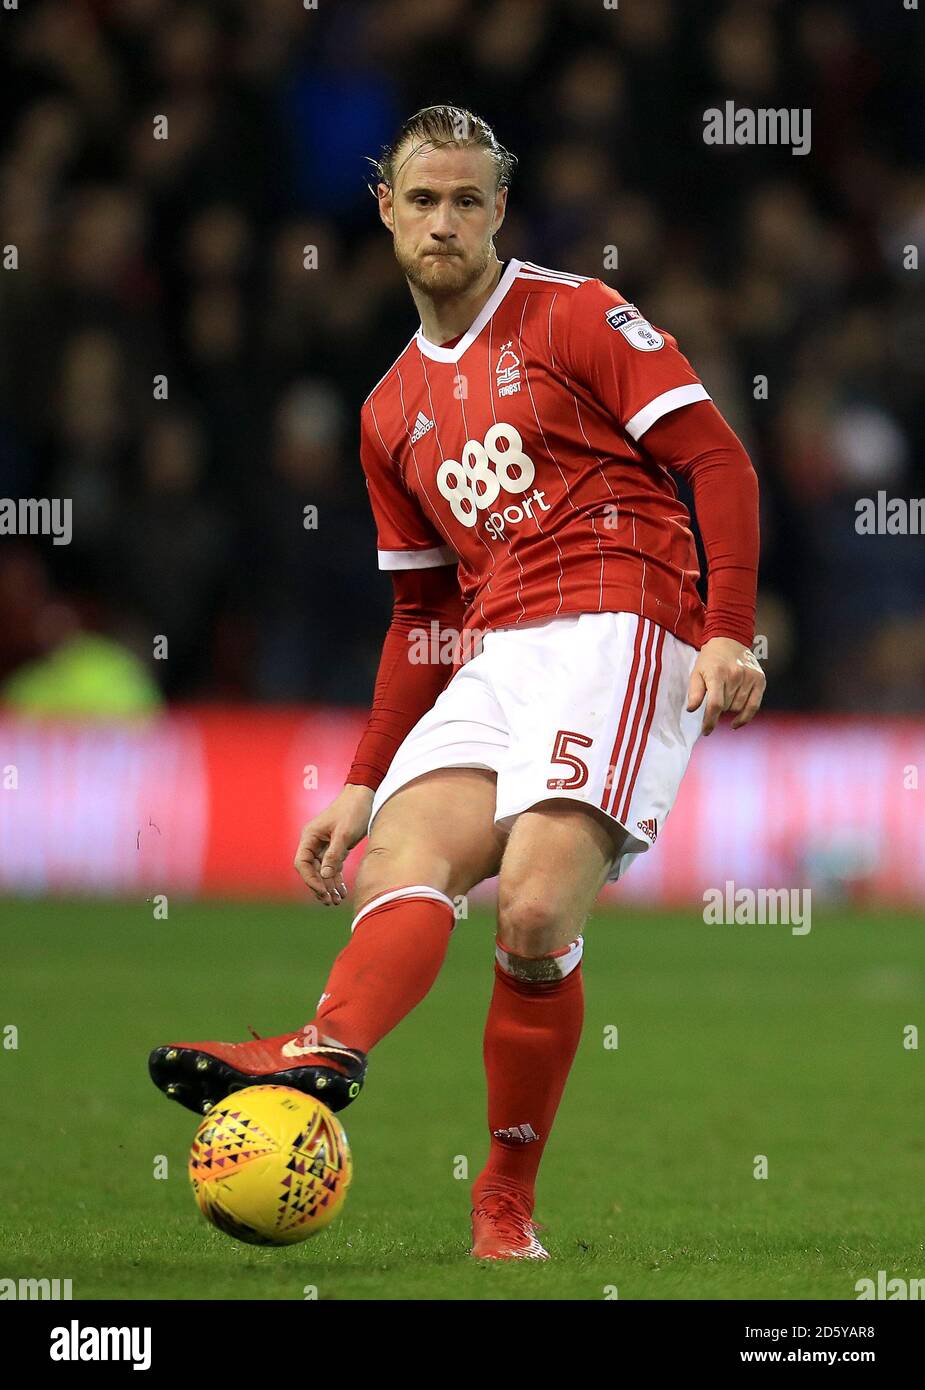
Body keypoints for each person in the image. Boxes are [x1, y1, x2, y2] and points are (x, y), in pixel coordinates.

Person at [150, 106, 764, 1261]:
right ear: (384, 208)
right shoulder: (389, 410)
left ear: (497, 214)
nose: (445, 221)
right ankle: (325, 1045)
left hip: (622, 619)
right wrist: (358, 780)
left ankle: (504, 1204)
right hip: (495, 649)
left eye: (468, 201)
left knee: (531, 914)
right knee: (397, 853)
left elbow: (716, 459)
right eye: (423, 199)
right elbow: (421, 612)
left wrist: (728, 633)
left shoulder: (574, 313)